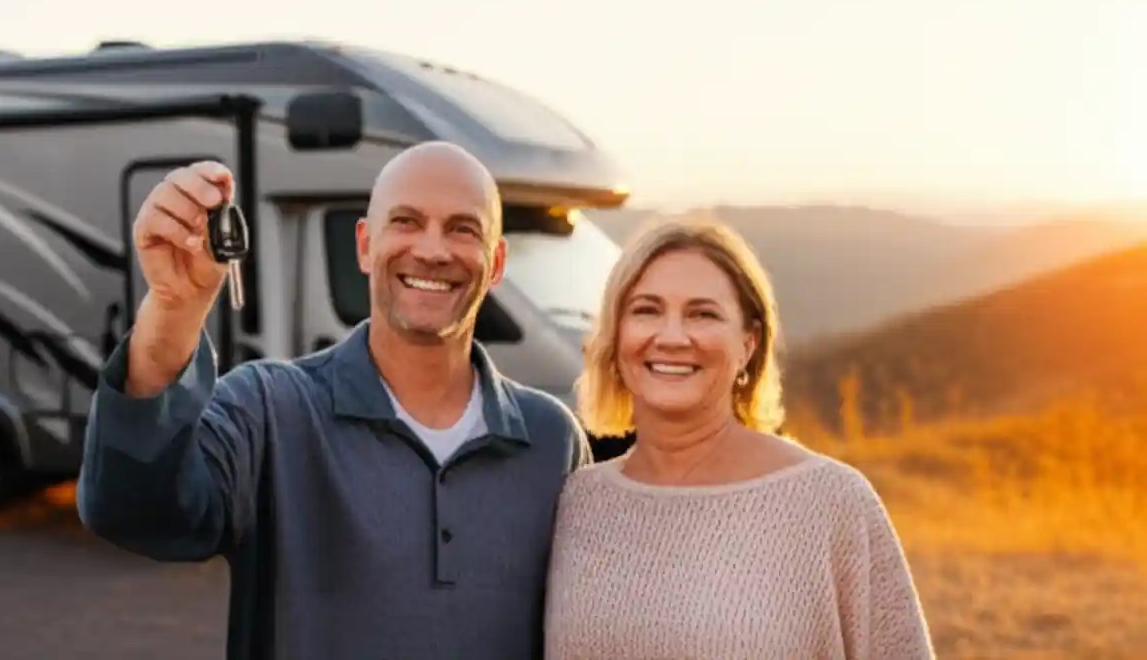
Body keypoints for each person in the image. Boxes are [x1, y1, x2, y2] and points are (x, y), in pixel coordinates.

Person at [76, 142, 590, 660]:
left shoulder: (551, 439)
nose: (433, 250)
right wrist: (173, 308)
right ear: (365, 246)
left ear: (496, 261)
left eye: (463, 229)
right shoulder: (271, 409)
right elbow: (130, 511)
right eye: (407, 222)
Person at [543, 214, 934, 659]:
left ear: (748, 343)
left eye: (703, 314)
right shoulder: (578, 502)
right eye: (646, 310)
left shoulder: (829, 503)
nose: (671, 337)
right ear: (616, 336)